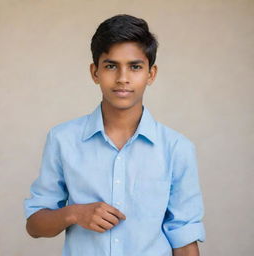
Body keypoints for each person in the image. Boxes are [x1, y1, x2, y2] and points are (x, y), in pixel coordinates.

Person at [24, 14, 206, 256]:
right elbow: (34, 226)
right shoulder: (62, 139)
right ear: (95, 72)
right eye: (111, 66)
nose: (122, 78)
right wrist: (74, 213)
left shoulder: (176, 148)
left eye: (135, 67)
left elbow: (184, 239)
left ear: (151, 74)